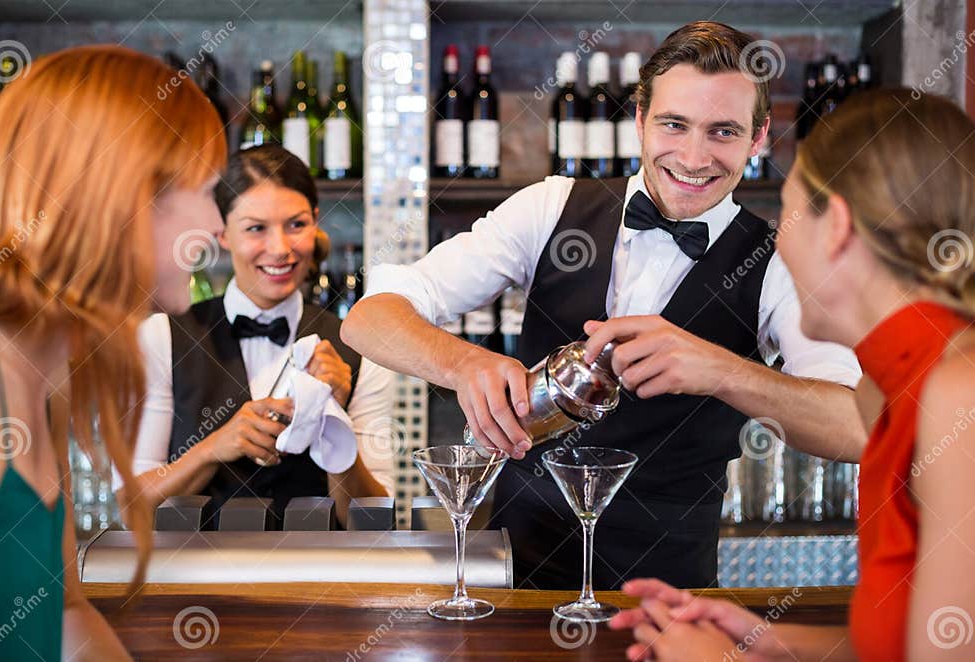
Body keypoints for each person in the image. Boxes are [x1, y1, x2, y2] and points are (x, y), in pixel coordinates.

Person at [341, 21, 865, 590]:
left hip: (671, 597)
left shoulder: (778, 259)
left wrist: (722, 371)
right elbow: (369, 319)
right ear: (640, 119)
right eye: (674, 124)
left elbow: (856, 429)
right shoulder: (550, 207)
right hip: (520, 582)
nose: (693, 157)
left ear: (759, 137)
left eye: (723, 132)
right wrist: (461, 363)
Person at [611, 89, 975, 662]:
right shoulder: (893, 386)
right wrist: (767, 642)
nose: (777, 236)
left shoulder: (957, 394)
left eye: (788, 210)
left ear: (836, 228)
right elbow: (907, 646)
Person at [0, 46, 225, 660]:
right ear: (122, 195)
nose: (219, 225)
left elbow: (63, 610)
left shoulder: (45, 374)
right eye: (206, 189)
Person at [117, 145, 393, 529]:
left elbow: (373, 522)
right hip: (193, 583)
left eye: (296, 225)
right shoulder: (162, 337)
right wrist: (212, 449)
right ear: (223, 232)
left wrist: (336, 423)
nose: (280, 249)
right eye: (255, 228)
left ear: (315, 221)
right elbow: (132, 505)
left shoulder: (361, 347)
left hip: (320, 580)